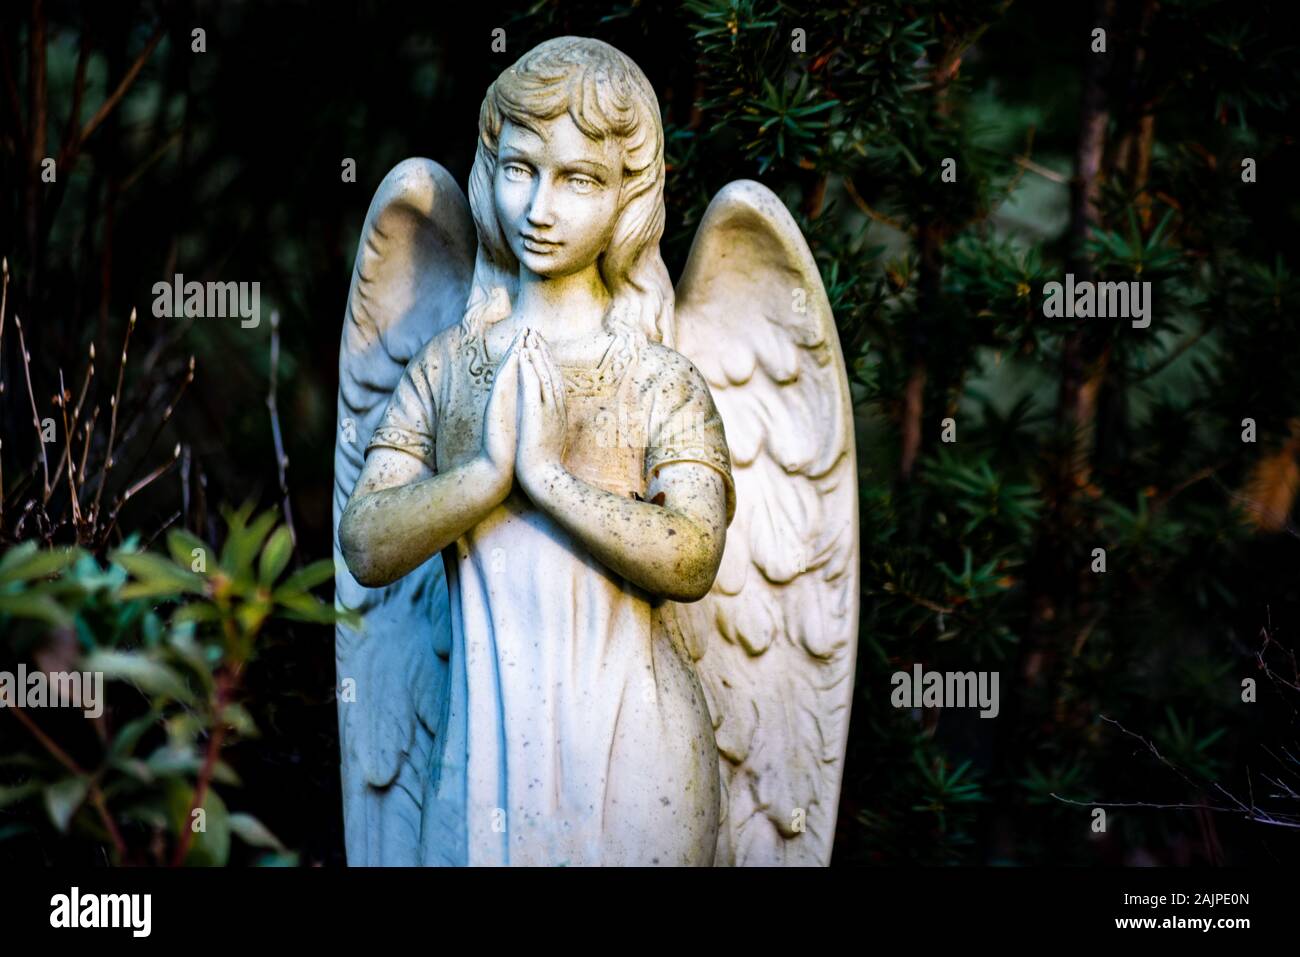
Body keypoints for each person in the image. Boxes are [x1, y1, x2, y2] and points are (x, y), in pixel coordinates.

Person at [338, 37, 735, 866]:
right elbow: (367, 540)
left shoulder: (660, 379)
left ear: (629, 197)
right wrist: (485, 477)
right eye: (520, 169)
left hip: (637, 763)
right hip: (481, 757)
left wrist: (548, 480)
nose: (539, 207)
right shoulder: (448, 365)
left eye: (578, 179)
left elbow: (694, 555)